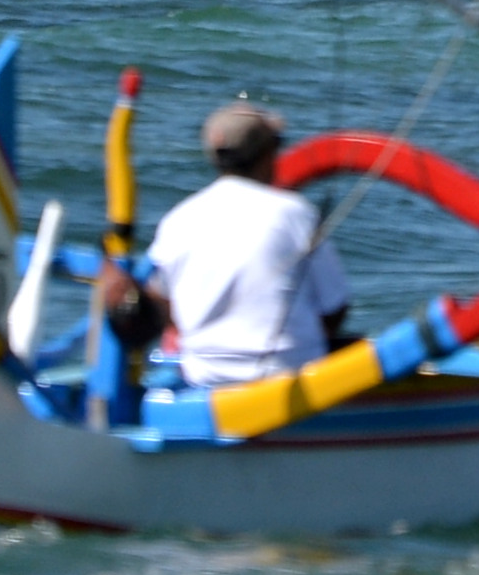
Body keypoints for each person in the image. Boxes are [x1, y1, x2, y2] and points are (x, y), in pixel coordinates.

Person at [143, 102, 353, 388]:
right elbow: (335, 309)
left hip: (206, 377)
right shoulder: (295, 213)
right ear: (268, 154)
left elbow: (161, 303)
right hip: (289, 381)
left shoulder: (176, 220)